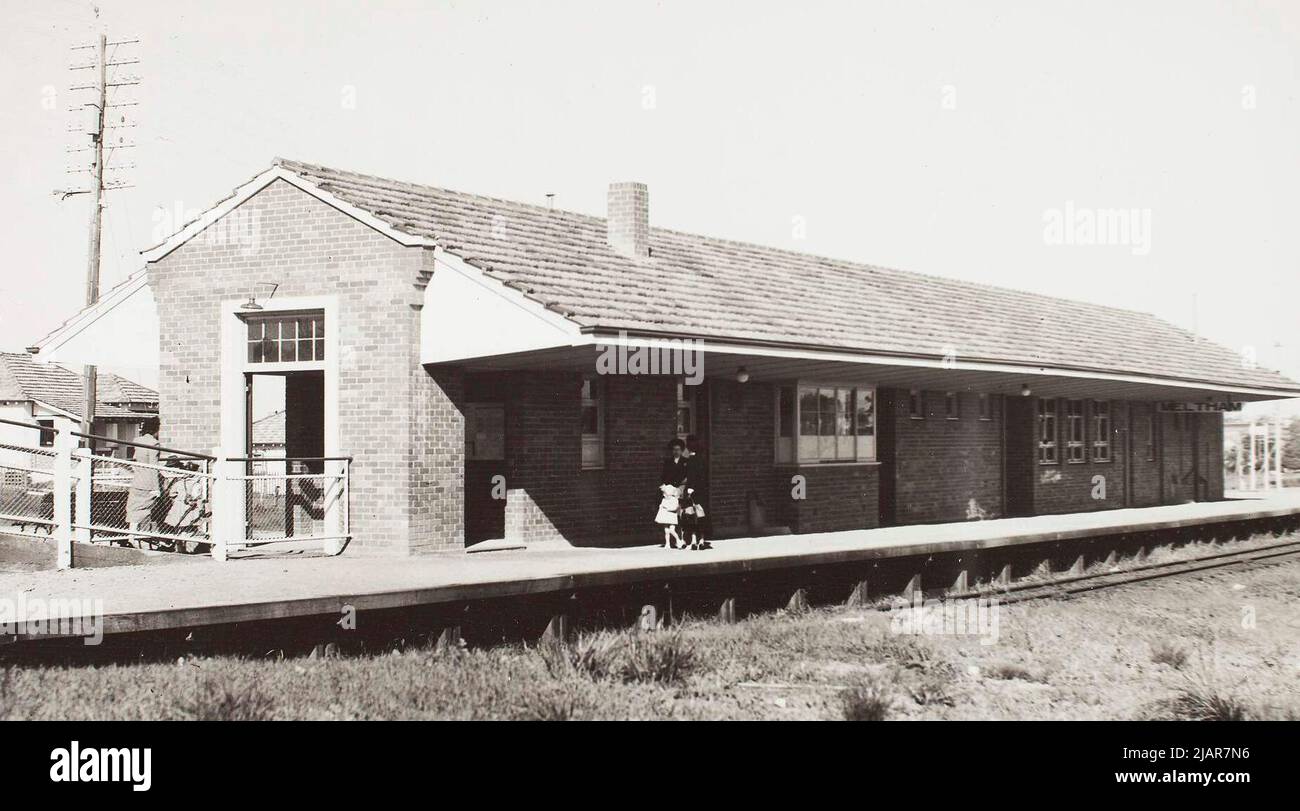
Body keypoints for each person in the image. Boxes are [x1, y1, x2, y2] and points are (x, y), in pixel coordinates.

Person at [125, 417, 162, 548]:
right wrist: (157, 488)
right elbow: (154, 467)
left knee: (134, 509)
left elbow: (134, 460)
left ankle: (131, 535)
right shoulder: (154, 444)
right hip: (148, 482)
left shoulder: (137, 441)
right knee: (144, 510)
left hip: (137, 480)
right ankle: (139, 537)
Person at [656, 438, 688, 548]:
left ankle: (681, 539)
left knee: (680, 516)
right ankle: (670, 541)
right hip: (669, 492)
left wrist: (681, 489)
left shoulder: (685, 462)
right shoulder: (668, 462)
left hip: (680, 490)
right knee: (669, 516)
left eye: (678, 449)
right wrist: (665, 488)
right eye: (674, 450)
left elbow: (686, 477)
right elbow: (664, 477)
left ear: (682, 450)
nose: (676, 452)